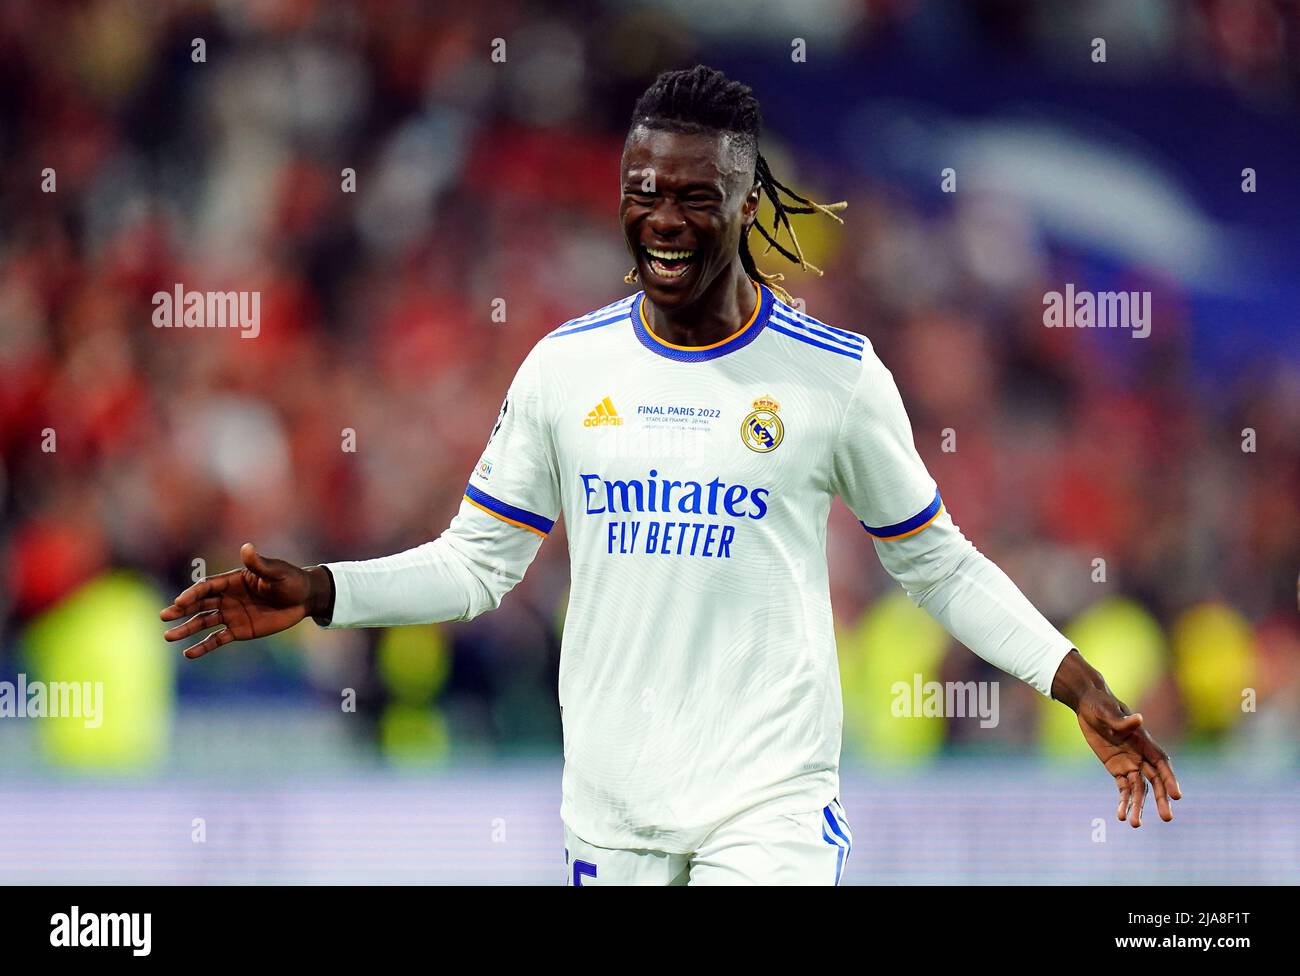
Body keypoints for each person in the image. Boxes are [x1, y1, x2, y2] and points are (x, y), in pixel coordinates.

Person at [160, 65, 1181, 886]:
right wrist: (324, 591)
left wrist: (1074, 679)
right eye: (643, 193)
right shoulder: (567, 368)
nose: (662, 218)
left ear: (748, 202)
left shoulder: (834, 376)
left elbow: (937, 566)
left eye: (696, 196)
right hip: (614, 810)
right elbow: (477, 565)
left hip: (768, 808)